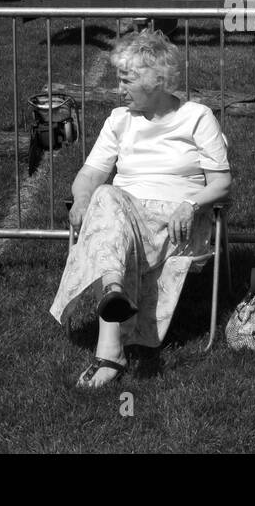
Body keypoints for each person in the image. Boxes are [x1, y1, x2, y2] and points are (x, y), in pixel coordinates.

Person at [49, 29, 231, 388]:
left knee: (106, 206)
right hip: (122, 216)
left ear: (157, 80)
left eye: (126, 80)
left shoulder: (197, 117)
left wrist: (191, 204)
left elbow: (222, 183)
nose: (119, 89)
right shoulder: (119, 120)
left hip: (176, 222)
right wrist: (83, 198)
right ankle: (112, 337)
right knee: (102, 196)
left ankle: (111, 336)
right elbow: (87, 177)